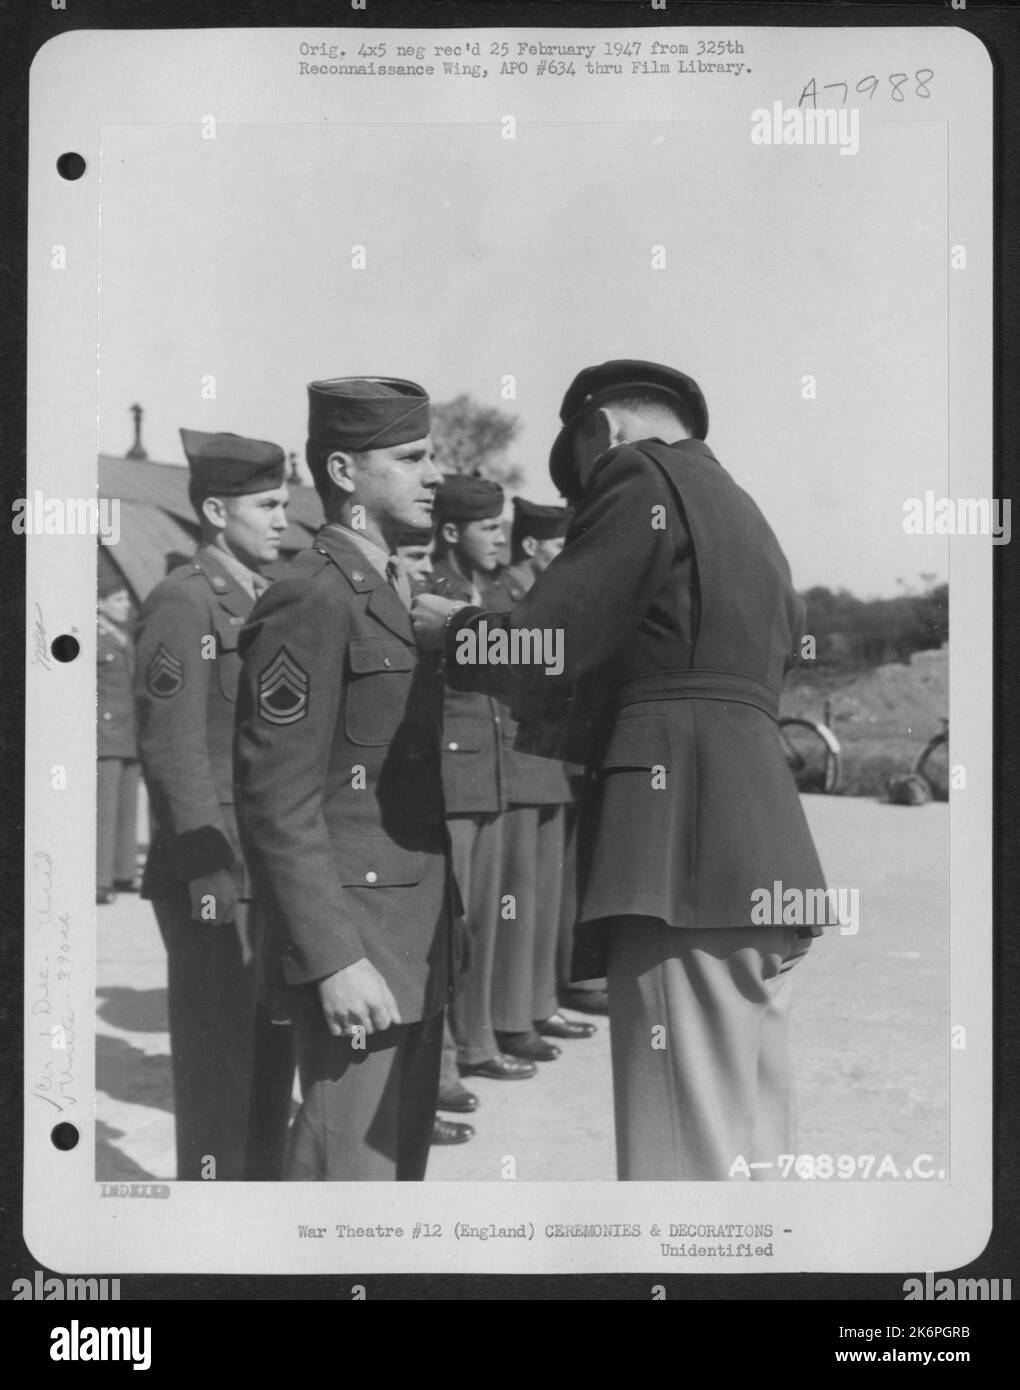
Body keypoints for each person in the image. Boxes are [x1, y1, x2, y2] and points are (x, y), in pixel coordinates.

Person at [412, 359, 827, 1181]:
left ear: (603, 432)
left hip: (681, 860)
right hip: (763, 854)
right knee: (753, 1155)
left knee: (681, 1163)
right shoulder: (745, 511)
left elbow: (553, 642)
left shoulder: (637, 474)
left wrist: (455, 630)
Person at [234, 377, 468, 1178]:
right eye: (410, 458)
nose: (433, 475)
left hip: (413, 942)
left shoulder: (400, 591)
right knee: (347, 1188)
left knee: (391, 1185)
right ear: (343, 472)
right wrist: (333, 959)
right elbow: (276, 800)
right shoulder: (312, 598)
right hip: (359, 949)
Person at [134, 428, 296, 1181]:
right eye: (266, 506)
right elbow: (171, 750)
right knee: (219, 1070)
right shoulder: (183, 601)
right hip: (215, 871)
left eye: (284, 503)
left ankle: (257, 1212)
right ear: (215, 511)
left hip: (269, 868)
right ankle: (209, 1224)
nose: (282, 520)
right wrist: (208, 873)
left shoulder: (265, 597)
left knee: (270, 1061)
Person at [427, 475, 537, 1084]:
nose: (500, 537)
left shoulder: (491, 595)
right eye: (488, 527)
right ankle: (440, 1064)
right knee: (451, 927)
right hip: (452, 784)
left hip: (492, 779)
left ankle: (476, 1042)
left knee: (485, 924)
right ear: (451, 531)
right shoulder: (430, 595)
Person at [489, 498, 596, 1057]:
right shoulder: (502, 599)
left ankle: (538, 1004)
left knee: (544, 900)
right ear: (530, 546)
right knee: (518, 901)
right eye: (559, 545)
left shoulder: (545, 597)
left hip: (550, 765)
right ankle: (512, 1018)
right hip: (518, 764)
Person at [96, 572, 140, 905]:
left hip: (129, 731)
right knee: (105, 810)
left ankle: (123, 873)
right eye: (118, 600)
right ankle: (100, 879)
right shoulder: (94, 637)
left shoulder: (122, 636)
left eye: (127, 599)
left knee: (127, 806)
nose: (126, 605)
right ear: (100, 603)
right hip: (106, 733)